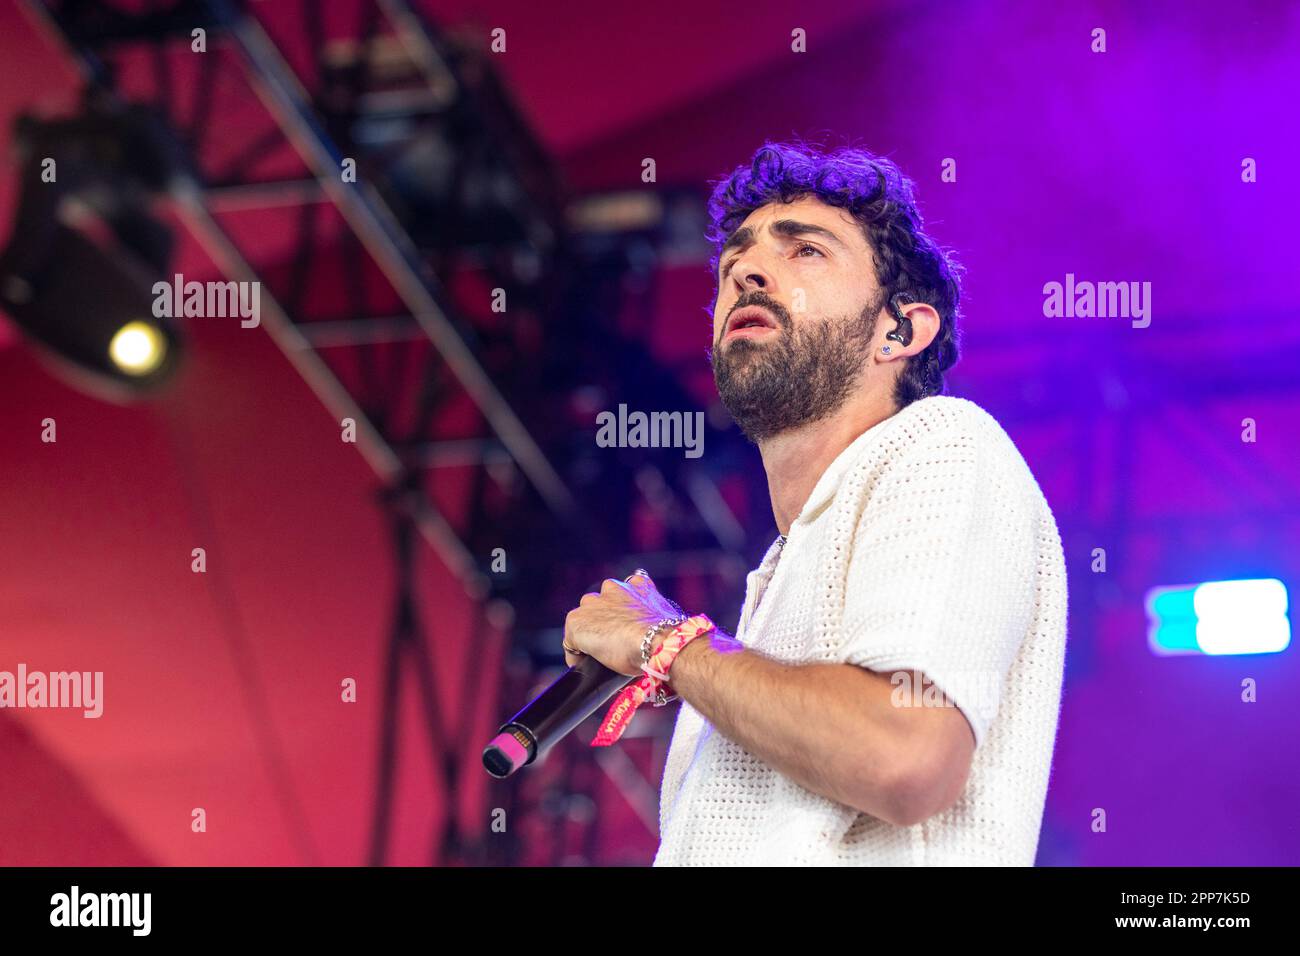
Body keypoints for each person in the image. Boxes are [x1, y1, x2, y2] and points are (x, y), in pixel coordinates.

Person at [561, 142, 1068, 865]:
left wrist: (667, 644)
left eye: (806, 251)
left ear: (900, 330)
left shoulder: (945, 442)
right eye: (735, 258)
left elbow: (904, 753)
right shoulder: (779, 573)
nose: (746, 270)